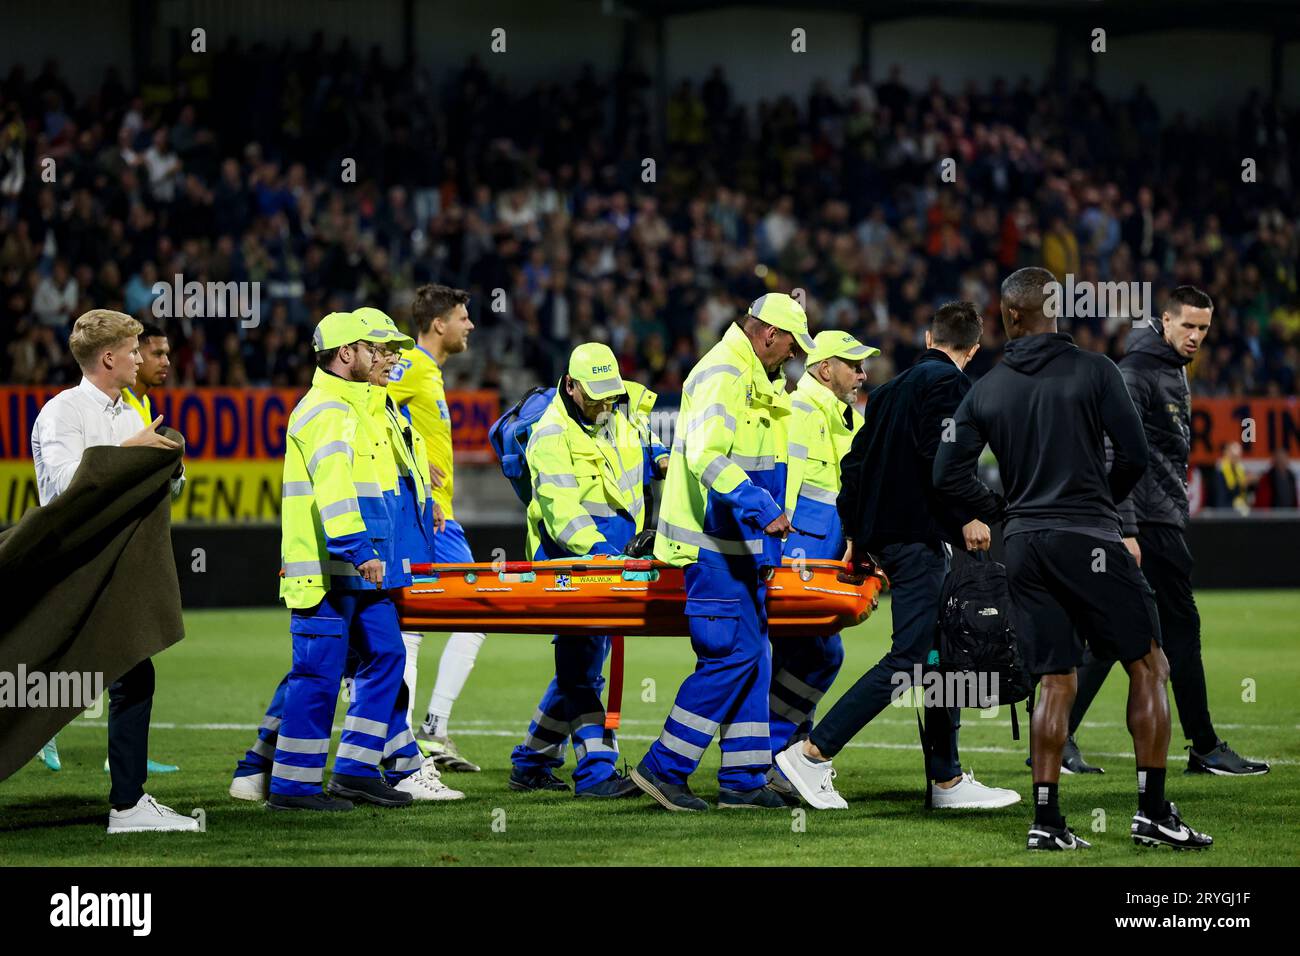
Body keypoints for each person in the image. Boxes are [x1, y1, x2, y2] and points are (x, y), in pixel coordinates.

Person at [934, 267, 1212, 851]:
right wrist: (1098, 504)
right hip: (1089, 538)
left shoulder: (986, 387)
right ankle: (1153, 813)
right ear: (1054, 309)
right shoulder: (1096, 370)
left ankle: (1046, 820)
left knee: (1055, 681)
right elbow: (1133, 455)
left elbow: (945, 472)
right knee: (1149, 664)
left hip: (1027, 548)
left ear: (1009, 316)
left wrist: (1004, 509)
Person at [776, 303, 1020, 811]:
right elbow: (943, 465)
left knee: (940, 658)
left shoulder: (886, 393)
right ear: (973, 350)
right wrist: (986, 510)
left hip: (891, 539)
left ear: (930, 336)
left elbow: (855, 469)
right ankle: (811, 755)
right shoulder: (952, 388)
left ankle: (947, 781)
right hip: (918, 540)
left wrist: (862, 537)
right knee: (911, 660)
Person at [230, 310, 464, 804]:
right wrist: (359, 550)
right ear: (346, 354)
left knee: (386, 656)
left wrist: (422, 509)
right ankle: (292, 785)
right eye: (376, 350)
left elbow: (380, 487)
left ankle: (355, 768)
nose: (387, 359)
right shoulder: (327, 410)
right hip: (330, 570)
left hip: (361, 572)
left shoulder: (363, 408)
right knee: (318, 675)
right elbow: (336, 492)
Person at [1065, 288, 1269, 776]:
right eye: (1188, 326)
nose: (1196, 336)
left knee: (1113, 635)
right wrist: (1128, 527)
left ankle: (1058, 735)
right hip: (1149, 527)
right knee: (1181, 630)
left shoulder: (1169, 367)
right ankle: (1203, 746)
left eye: (1204, 328)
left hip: (1160, 519)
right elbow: (1118, 453)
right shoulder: (1137, 372)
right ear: (1166, 321)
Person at [631, 292, 812, 812]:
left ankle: (744, 778)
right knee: (730, 656)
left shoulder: (751, 375)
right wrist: (760, 505)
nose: (793, 356)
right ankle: (664, 768)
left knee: (755, 658)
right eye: (791, 346)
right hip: (715, 547)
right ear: (769, 334)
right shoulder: (724, 373)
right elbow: (706, 454)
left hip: (742, 549)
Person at [30, 308, 197, 834]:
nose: (140, 358)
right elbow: (63, 489)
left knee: (133, 674)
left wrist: (171, 469)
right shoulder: (63, 413)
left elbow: (151, 485)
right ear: (109, 358)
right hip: (69, 573)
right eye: (132, 350)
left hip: (115, 569)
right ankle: (127, 805)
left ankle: (128, 804)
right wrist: (135, 452)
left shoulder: (130, 412)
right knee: (36, 679)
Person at [508, 343, 667, 797]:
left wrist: (660, 458)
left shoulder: (618, 411)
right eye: (595, 395)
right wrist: (600, 551)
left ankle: (530, 762)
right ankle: (597, 773)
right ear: (571, 385)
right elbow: (562, 513)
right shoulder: (551, 435)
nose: (604, 404)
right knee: (580, 669)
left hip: (613, 560)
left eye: (610, 396)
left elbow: (642, 441)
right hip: (570, 563)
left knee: (582, 669)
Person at [764, 330, 875, 801]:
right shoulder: (801, 411)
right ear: (824, 368)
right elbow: (786, 487)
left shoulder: (843, 415)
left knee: (799, 658)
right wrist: (780, 552)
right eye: (853, 365)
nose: (862, 374)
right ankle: (773, 755)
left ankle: (781, 759)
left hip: (822, 556)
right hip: (799, 558)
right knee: (819, 655)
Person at [388, 284, 483, 773]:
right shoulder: (409, 367)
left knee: (432, 619)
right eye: (463, 317)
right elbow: (371, 405)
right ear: (439, 323)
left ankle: (420, 732)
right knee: (474, 608)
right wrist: (412, 468)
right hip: (424, 516)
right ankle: (414, 736)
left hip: (434, 512)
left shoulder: (429, 373)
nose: (469, 326)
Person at [1210, 442, 1249, 512]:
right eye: (1233, 456)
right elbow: (1221, 502)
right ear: (1226, 454)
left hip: (1238, 514)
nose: (1236, 459)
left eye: (1238, 457)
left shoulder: (1240, 471)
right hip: (1224, 515)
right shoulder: (1220, 472)